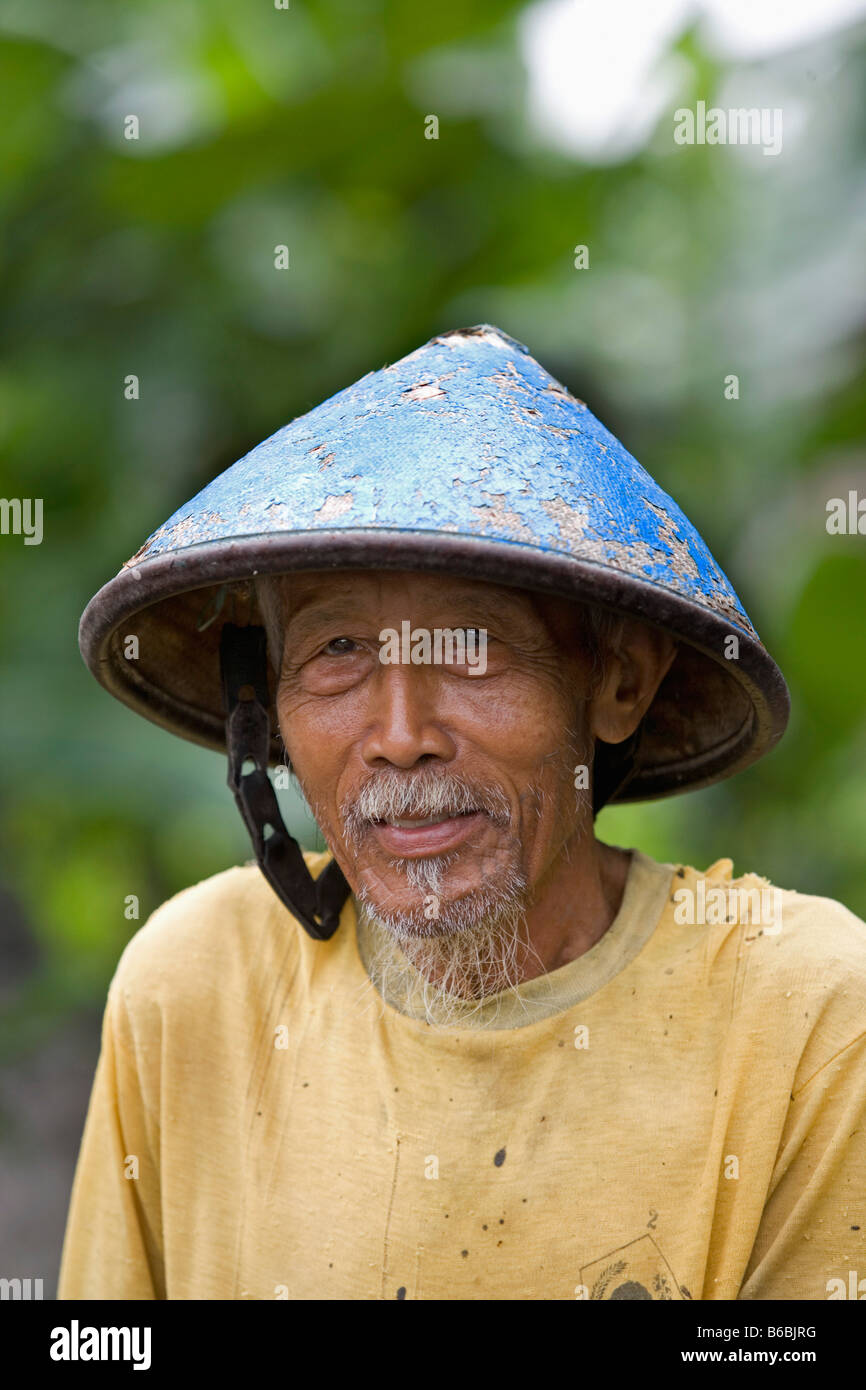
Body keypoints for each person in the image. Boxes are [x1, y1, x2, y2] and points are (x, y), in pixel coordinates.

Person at [59, 324, 866, 1301]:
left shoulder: (799, 1013)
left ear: (616, 681)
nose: (400, 733)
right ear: (264, 703)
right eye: (338, 650)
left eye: (472, 648)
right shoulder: (194, 988)